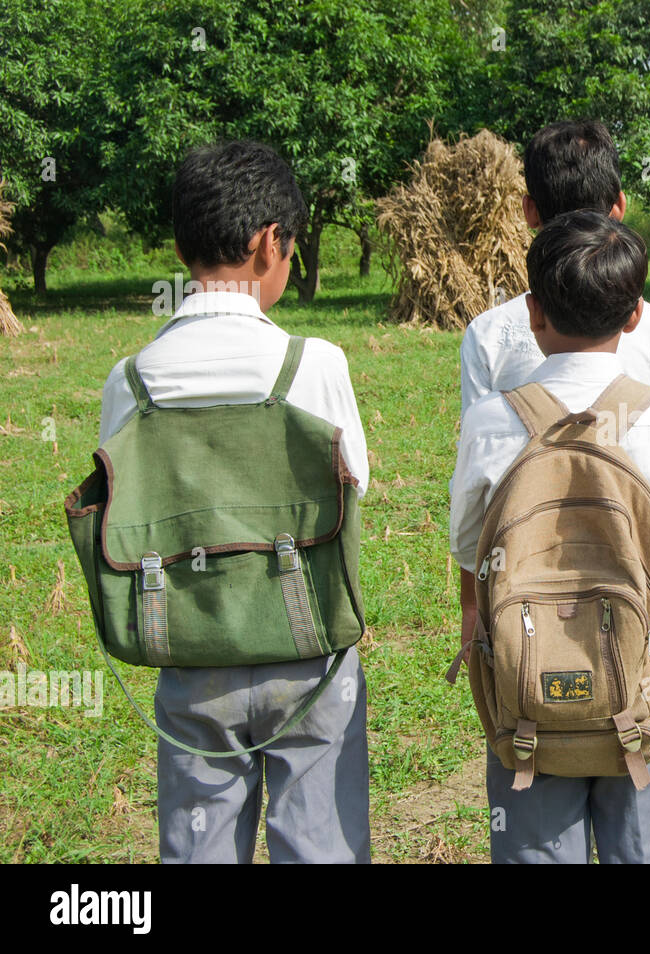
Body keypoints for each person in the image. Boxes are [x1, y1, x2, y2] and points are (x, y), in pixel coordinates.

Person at [97, 141, 371, 863]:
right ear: (267, 243)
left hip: (189, 658)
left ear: (184, 244)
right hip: (308, 656)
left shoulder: (131, 382)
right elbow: (358, 487)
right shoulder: (315, 365)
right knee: (322, 850)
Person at [449, 210, 650, 862]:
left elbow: (467, 546)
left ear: (533, 312)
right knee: (648, 846)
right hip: (644, 659)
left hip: (525, 670)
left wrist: (474, 618)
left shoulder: (490, 420)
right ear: (634, 316)